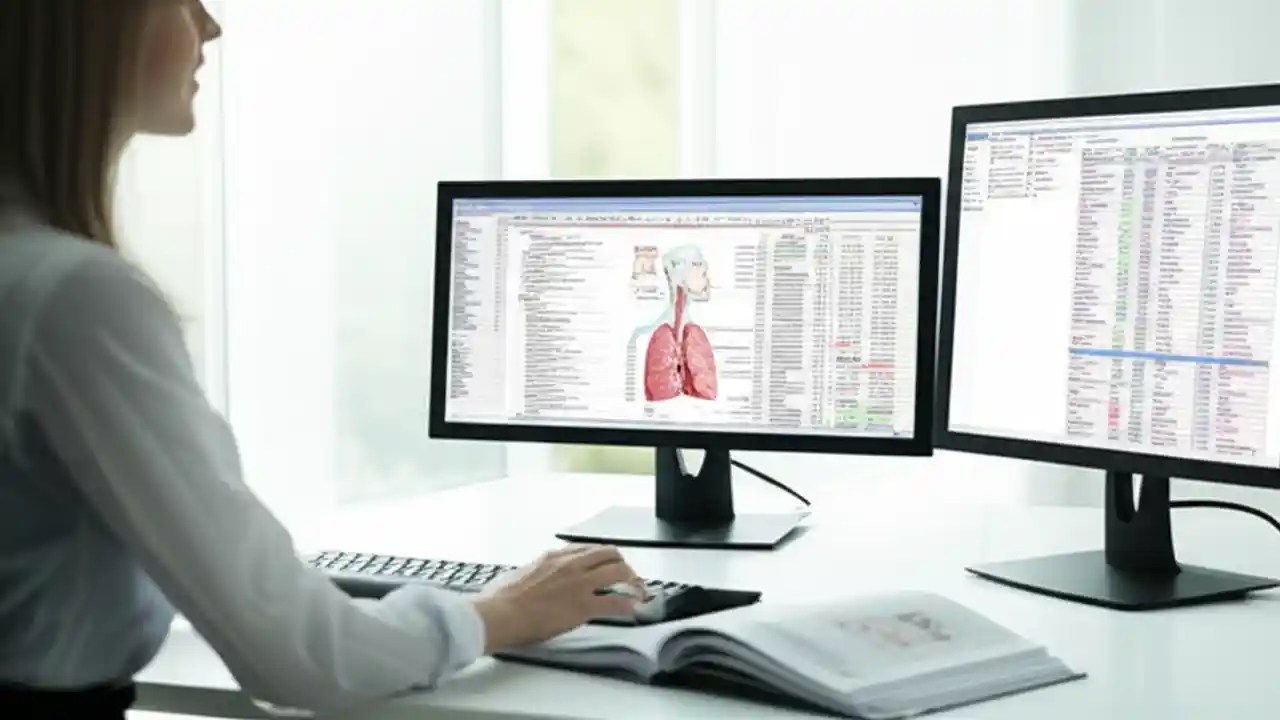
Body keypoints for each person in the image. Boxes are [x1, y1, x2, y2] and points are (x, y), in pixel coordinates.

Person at [0, 2, 643, 717]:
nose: (210, 26)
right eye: (183, 0)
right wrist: (503, 611)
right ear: (92, 28)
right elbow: (305, 657)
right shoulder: (73, 298)